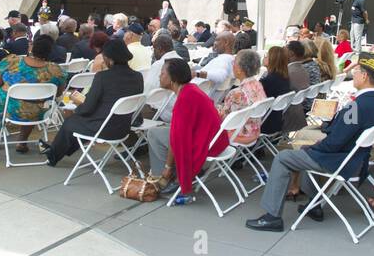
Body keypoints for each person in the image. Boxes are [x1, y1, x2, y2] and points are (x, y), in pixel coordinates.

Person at [245, 53, 374, 232]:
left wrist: (312, 147)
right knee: (304, 154)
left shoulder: (358, 105)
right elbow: (343, 133)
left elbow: (334, 143)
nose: (355, 74)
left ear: (365, 76)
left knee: (283, 158)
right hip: (355, 159)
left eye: (357, 70)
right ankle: (314, 205)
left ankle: (272, 216)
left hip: (339, 159)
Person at [43, 38, 144, 164]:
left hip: (104, 127)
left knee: (70, 123)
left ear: (109, 58)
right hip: (124, 127)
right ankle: (54, 150)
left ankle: (53, 155)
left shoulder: (103, 77)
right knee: (77, 123)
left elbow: (87, 108)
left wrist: (78, 106)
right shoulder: (138, 76)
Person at [149, 59, 228, 204]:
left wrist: (168, 168)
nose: (159, 76)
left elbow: (179, 140)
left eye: (162, 73)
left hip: (206, 145)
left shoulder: (185, 97)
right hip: (215, 141)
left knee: (154, 134)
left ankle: (165, 179)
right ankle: (168, 175)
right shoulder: (190, 89)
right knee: (158, 132)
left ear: (173, 78)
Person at [0, 33, 67, 153]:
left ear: (31, 47)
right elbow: (58, 93)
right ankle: (22, 142)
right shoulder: (56, 70)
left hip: (7, 109)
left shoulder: (11, 61)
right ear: (50, 52)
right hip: (37, 112)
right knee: (32, 103)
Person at [218, 49, 267, 147]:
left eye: (234, 62)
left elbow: (223, 117)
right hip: (254, 131)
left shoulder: (237, 93)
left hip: (238, 134)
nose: (232, 65)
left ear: (240, 70)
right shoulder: (258, 85)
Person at [260, 45, 292, 136]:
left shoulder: (268, 81)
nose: (264, 57)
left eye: (266, 56)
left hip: (264, 123)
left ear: (272, 59)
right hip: (276, 121)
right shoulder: (284, 77)